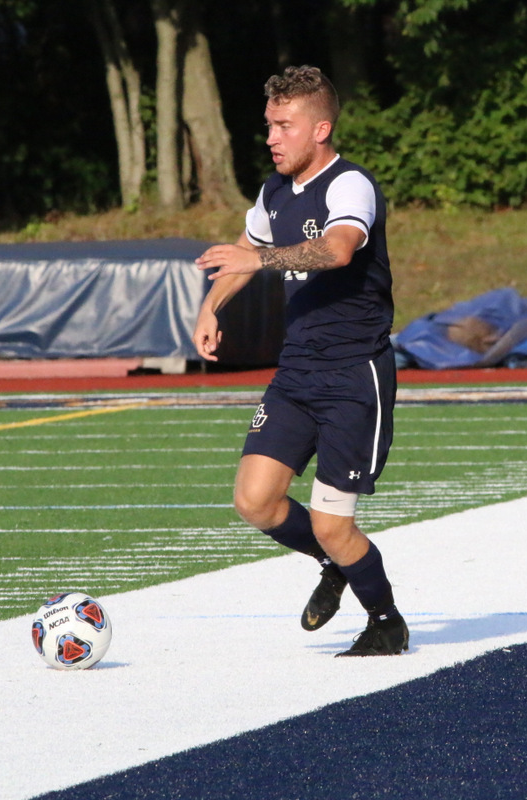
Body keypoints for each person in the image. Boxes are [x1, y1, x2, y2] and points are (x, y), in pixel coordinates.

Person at [193, 65, 408, 656]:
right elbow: (247, 248)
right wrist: (213, 306)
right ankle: (332, 563)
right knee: (254, 500)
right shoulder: (272, 192)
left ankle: (386, 623)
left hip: (352, 375)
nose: (271, 137)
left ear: (320, 128)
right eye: (268, 125)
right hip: (297, 373)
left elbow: (337, 250)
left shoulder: (350, 185)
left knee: (333, 524)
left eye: (283, 125)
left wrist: (258, 262)